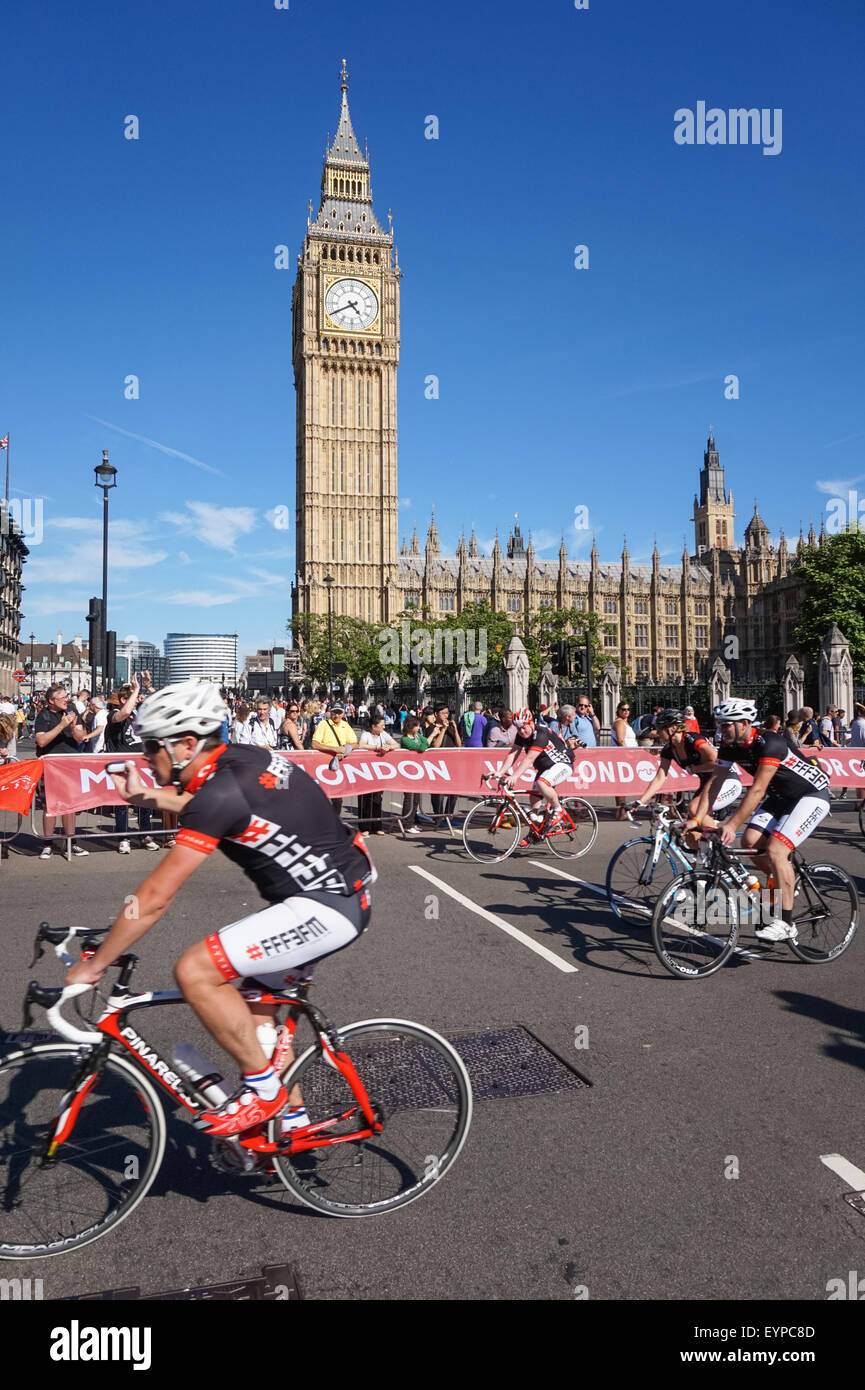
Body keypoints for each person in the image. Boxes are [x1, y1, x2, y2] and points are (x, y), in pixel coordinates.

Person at [64, 680, 376, 1138]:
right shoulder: (238, 760)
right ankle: (293, 1125)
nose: (146, 756)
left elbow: (154, 898)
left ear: (187, 744)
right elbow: (203, 806)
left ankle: (263, 1093)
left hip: (329, 906)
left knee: (195, 970)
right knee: (254, 1018)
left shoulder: (220, 793)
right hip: (340, 888)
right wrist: (142, 797)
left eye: (152, 746)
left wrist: (97, 963)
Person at [691, 698, 830, 943]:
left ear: (744, 723)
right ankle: (785, 881)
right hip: (781, 796)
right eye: (719, 725)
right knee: (751, 842)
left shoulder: (770, 743)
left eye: (726, 725)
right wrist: (697, 818)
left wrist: (731, 824)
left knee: (776, 850)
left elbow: (757, 790)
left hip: (810, 794)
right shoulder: (729, 744)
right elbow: (715, 783)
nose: (720, 730)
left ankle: (786, 924)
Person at [635, 709, 741, 833]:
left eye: (660, 728)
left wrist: (695, 769)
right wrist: (640, 801)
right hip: (707, 785)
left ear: (673, 728)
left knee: (694, 808)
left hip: (727, 781)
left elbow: (717, 762)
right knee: (691, 833)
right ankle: (704, 850)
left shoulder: (692, 739)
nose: (657, 732)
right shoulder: (669, 749)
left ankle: (720, 844)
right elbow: (660, 777)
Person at [496, 707, 574, 845]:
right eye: (518, 728)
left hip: (562, 764)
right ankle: (537, 832)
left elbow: (529, 760)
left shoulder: (541, 734)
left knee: (542, 784)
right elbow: (513, 753)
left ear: (531, 723)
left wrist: (515, 776)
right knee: (534, 804)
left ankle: (558, 810)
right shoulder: (521, 735)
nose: (521, 731)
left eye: (524, 727)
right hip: (546, 767)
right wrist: (500, 772)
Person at [34, 683, 92, 859]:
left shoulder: (72, 711)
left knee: (70, 805)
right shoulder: (43, 716)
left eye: (67, 697)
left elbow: (81, 738)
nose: (66, 700)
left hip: (70, 763)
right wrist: (61, 725)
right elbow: (41, 741)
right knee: (50, 805)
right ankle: (48, 843)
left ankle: (71, 841)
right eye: (62, 698)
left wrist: (74, 726)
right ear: (51, 700)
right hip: (50, 764)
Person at [105, 676, 161, 853]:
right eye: (134, 698)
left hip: (141, 763)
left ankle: (144, 835)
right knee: (123, 803)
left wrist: (147, 686)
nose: (137, 701)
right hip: (122, 764)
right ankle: (123, 837)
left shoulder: (137, 714)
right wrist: (135, 692)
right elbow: (121, 715)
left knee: (145, 801)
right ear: (124, 699)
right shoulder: (113, 714)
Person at [311, 703, 358, 816]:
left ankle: (335, 822)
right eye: (334, 712)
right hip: (322, 764)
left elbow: (355, 743)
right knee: (322, 796)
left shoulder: (345, 725)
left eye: (339, 712)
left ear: (343, 713)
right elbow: (315, 744)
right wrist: (334, 750)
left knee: (337, 797)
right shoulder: (323, 724)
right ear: (330, 712)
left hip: (338, 764)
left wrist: (345, 750)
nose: (336, 715)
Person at [357, 714, 399, 833]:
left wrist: (388, 747)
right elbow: (361, 745)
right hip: (365, 770)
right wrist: (377, 747)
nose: (384, 727)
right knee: (365, 799)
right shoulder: (366, 734)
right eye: (381, 725)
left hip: (378, 771)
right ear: (373, 726)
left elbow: (397, 744)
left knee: (377, 799)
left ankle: (377, 826)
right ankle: (364, 827)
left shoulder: (383, 734)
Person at [426, 704, 461, 828]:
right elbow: (436, 746)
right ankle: (438, 817)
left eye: (447, 713)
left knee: (454, 791)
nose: (446, 715)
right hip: (437, 764)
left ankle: (448, 815)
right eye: (443, 713)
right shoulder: (431, 728)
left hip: (451, 762)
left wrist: (455, 729)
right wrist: (443, 730)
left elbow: (459, 744)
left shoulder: (451, 726)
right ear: (436, 714)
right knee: (438, 792)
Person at [399, 715, 429, 833]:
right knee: (409, 798)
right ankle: (407, 824)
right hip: (408, 771)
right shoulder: (405, 739)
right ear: (410, 727)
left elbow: (426, 742)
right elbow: (421, 748)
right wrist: (423, 745)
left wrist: (424, 744)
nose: (418, 728)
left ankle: (412, 821)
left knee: (416, 799)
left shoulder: (417, 736)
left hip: (418, 771)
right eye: (416, 726)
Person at [611, 699, 637, 820]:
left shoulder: (626, 723)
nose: (626, 711)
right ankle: (620, 811)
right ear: (618, 710)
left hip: (627, 756)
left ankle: (621, 811)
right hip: (622, 757)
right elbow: (621, 740)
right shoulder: (619, 722)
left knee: (624, 784)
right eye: (624, 709)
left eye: (628, 709)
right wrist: (628, 754)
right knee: (621, 784)